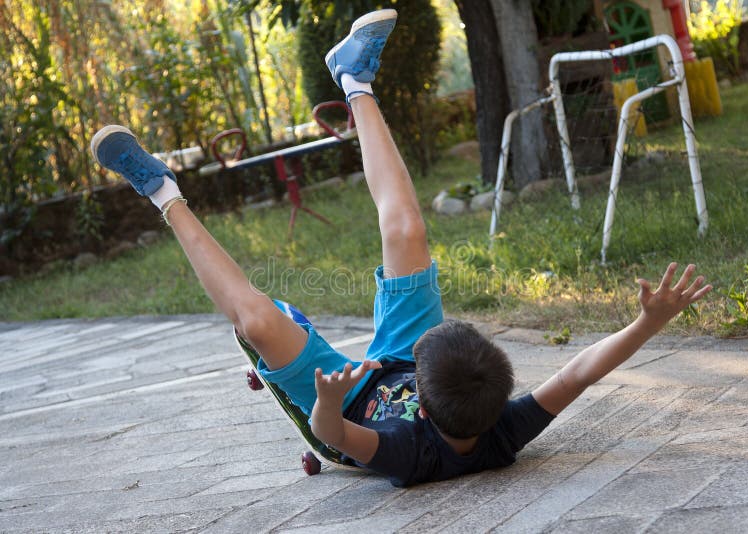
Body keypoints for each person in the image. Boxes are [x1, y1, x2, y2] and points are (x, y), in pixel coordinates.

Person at [91, 9, 712, 487]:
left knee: (257, 321)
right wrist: (647, 322)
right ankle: (354, 79)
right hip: (398, 373)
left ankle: (160, 190)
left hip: (342, 409)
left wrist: (329, 403)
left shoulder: (409, 453)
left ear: (427, 408)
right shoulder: (501, 426)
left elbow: (336, 436)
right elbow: (579, 372)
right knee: (410, 233)